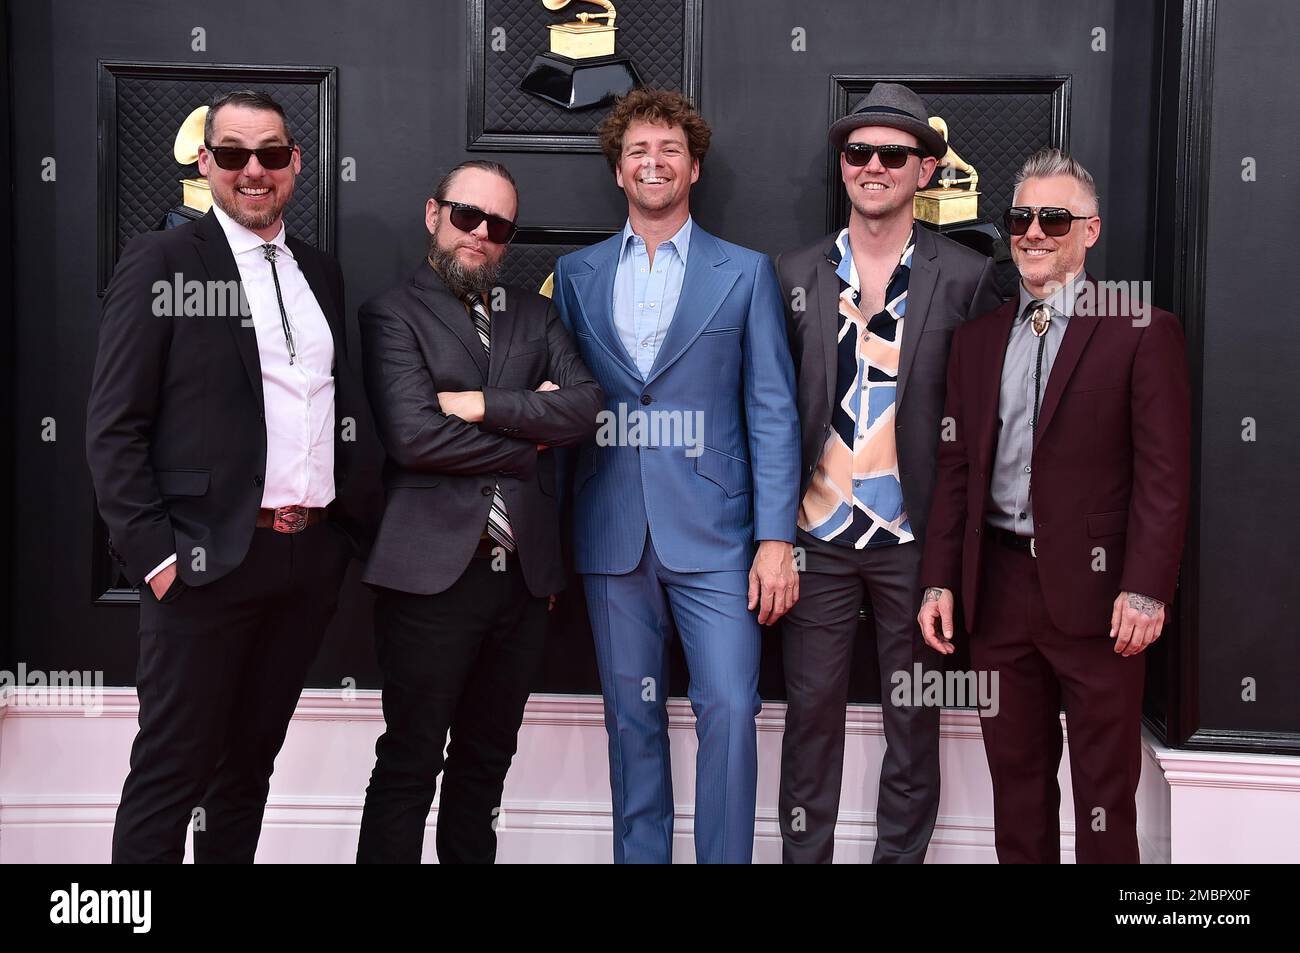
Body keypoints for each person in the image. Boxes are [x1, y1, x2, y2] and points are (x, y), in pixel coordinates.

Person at [87, 90, 379, 863]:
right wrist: (157, 560)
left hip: (304, 562)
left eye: (273, 154)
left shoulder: (320, 270)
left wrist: (340, 537)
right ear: (206, 162)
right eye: (235, 154)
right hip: (201, 566)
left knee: (247, 771)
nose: (256, 170)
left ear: (294, 164)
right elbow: (114, 426)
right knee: (168, 775)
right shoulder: (163, 259)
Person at [917, 148, 1191, 863]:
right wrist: (941, 578)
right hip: (998, 596)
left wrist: (1145, 587)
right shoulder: (976, 343)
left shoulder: (1140, 329)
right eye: (1021, 217)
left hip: (1103, 602)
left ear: (1090, 230)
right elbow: (955, 470)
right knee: (1018, 791)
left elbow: (1164, 475)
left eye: (1054, 217)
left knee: (1106, 798)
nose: (1033, 232)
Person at [551, 88, 801, 864]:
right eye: (637, 152)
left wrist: (775, 540)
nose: (652, 164)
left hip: (720, 535)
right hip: (610, 526)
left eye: (668, 151)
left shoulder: (746, 272)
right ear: (618, 171)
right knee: (632, 717)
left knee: (729, 707)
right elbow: (560, 411)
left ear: (693, 167)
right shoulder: (575, 274)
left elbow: (772, 411)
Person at [774, 82, 1002, 863]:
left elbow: (976, 422)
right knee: (809, 720)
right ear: (842, 166)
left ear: (926, 171)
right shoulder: (792, 273)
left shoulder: (968, 278)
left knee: (915, 723)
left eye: (893, 154)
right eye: (858, 152)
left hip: (915, 538)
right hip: (815, 535)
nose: (873, 165)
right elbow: (769, 416)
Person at [355, 160, 603, 863]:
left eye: (499, 225)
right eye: (468, 216)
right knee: (410, 762)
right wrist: (532, 439)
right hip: (428, 576)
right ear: (433, 213)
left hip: (523, 581)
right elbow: (412, 435)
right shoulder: (392, 311)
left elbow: (585, 408)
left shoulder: (536, 311)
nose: (482, 234)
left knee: (484, 765)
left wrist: (480, 405)